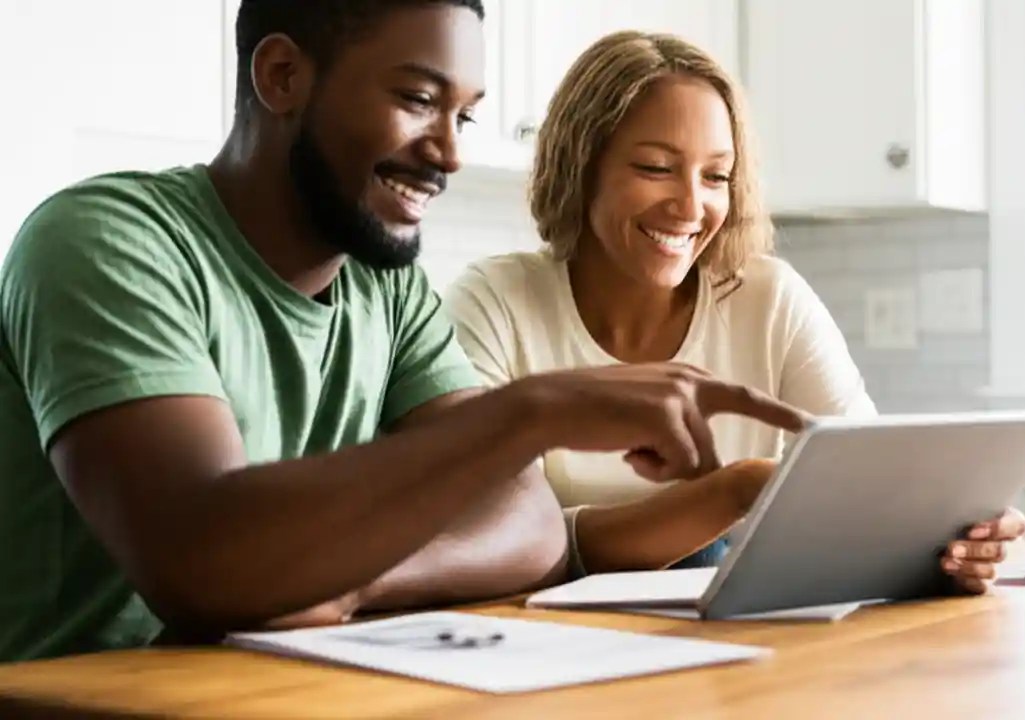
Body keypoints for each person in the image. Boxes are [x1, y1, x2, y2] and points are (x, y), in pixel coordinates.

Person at [0, 1, 810, 663]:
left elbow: (529, 527)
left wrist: (352, 585)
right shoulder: (107, 242)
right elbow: (197, 560)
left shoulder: (385, 287)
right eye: (418, 101)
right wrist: (535, 410)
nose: (450, 153)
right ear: (282, 76)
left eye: (464, 114)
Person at [443, 31, 1025, 584]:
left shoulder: (769, 298)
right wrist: (736, 490)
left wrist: (956, 545)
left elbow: (868, 487)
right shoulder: (496, 304)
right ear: (581, 165)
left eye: (716, 175)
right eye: (655, 167)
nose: (690, 205)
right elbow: (501, 540)